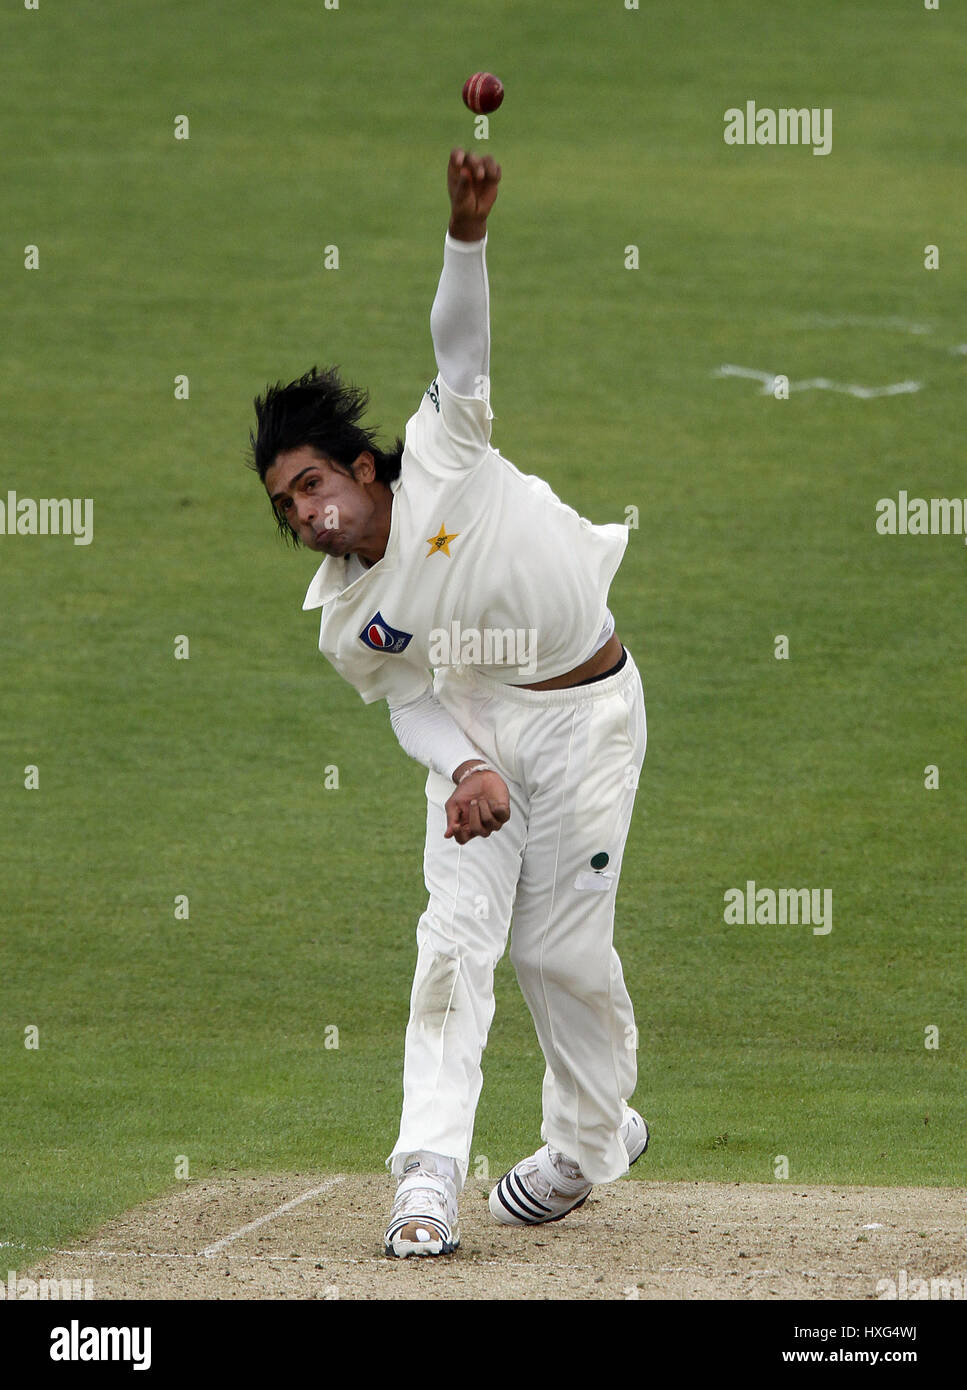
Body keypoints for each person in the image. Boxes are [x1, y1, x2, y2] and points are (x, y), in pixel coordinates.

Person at [249, 147, 649, 1258]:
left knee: (556, 957)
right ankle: (427, 1174)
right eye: (287, 505)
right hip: (476, 725)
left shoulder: (444, 447)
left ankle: (583, 1143)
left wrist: (465, 232)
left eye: (313, 484)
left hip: (588, 717)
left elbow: (458, 340)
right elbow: (407, 701)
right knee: (455, 943)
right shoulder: (342, 620)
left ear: (364, 469)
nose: (306, 515)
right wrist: (466, 766)